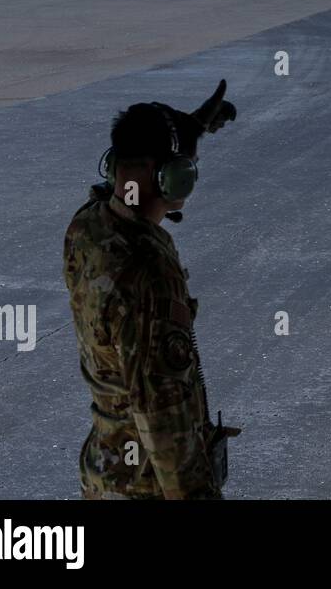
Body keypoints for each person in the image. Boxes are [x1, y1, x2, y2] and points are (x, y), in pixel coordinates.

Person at [63, 81, 239, 499]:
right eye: (188, 168)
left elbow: (123, 187)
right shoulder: (147, 273)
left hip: (106, 465)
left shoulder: (89, 226)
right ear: (169, 175)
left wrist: (189, 129)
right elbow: (161, 413)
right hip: (146, 484)